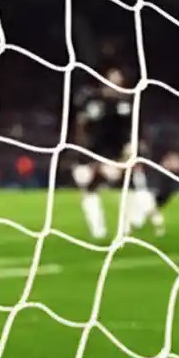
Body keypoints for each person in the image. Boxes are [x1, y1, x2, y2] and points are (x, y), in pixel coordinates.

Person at [72, 67, 134, 241]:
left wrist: (129, 149)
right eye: (113, 81)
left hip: (114, 155)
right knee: (89, 188)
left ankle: (126, 226)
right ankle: (98, 229)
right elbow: (81, 126)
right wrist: (83, 152)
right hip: (91, 154)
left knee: (123, 187)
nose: (116, 85)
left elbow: (129, 131)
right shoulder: (92, 101)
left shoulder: (124, 105)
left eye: (119, 82)